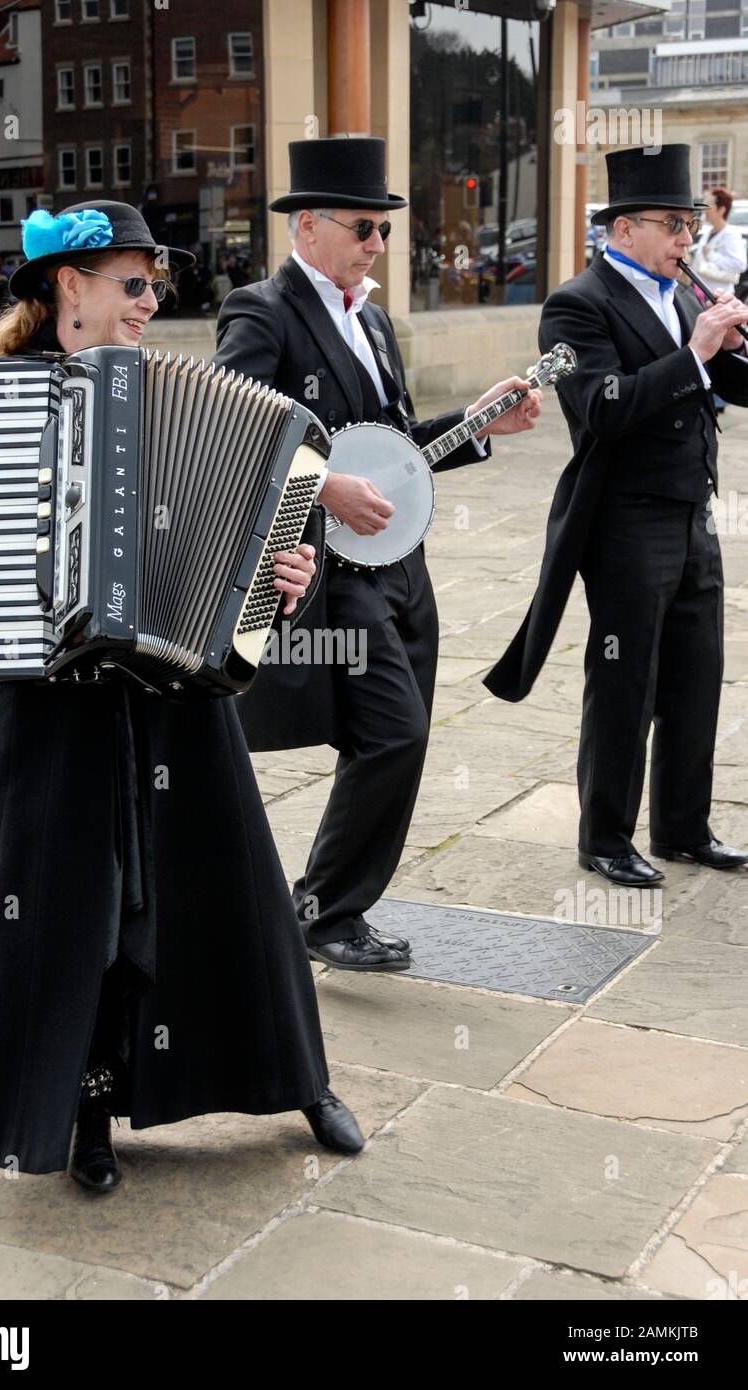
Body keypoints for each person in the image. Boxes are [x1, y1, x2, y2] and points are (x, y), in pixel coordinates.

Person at [0, 199, 363, 1193]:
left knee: (229, 888)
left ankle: (299, 1077)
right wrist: (2, 605)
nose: (152, 303)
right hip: (53, 700)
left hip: (177, 691)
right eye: (133, 283)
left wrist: (289, 577)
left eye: (156, 285)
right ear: (69, 284)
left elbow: (270, 519)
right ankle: (85, 1109)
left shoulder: (168, 386)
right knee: (76, 912)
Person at [213, 137, 541, 971]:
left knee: (400, 737)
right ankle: (324, 917)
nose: (378, 244)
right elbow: (232, 425)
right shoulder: (262, 311)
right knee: (392, 735)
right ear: (310, 226)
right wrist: (323, 490)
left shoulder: (376, 321)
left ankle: (323, 911)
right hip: (331, 570)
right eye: (365, 227)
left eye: (385, 229)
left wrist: (475, 424)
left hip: (403, 567)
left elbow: (389, 446)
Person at [484, 145, 748, 884]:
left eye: (691, 224)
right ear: (624, 228)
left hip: (693, 508)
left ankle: (683, 827)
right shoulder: (577, 305)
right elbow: (602, 409)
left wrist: (728, 339)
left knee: (699, 672)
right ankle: (605, 838)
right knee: (625, 676)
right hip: (626, 518)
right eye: (673, 224)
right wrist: (694, 354)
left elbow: (728, 376)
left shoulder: (686, 294)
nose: (685, 240)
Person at [691, 187, 747, 415]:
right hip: (700, 295)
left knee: (721, 345)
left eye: (710, 205)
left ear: (721, 208)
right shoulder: (708, 232)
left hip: (719, 296)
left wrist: (710, 255)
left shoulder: (730, 233)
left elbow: (739, 264)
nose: (706, 210)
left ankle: (719, 399)